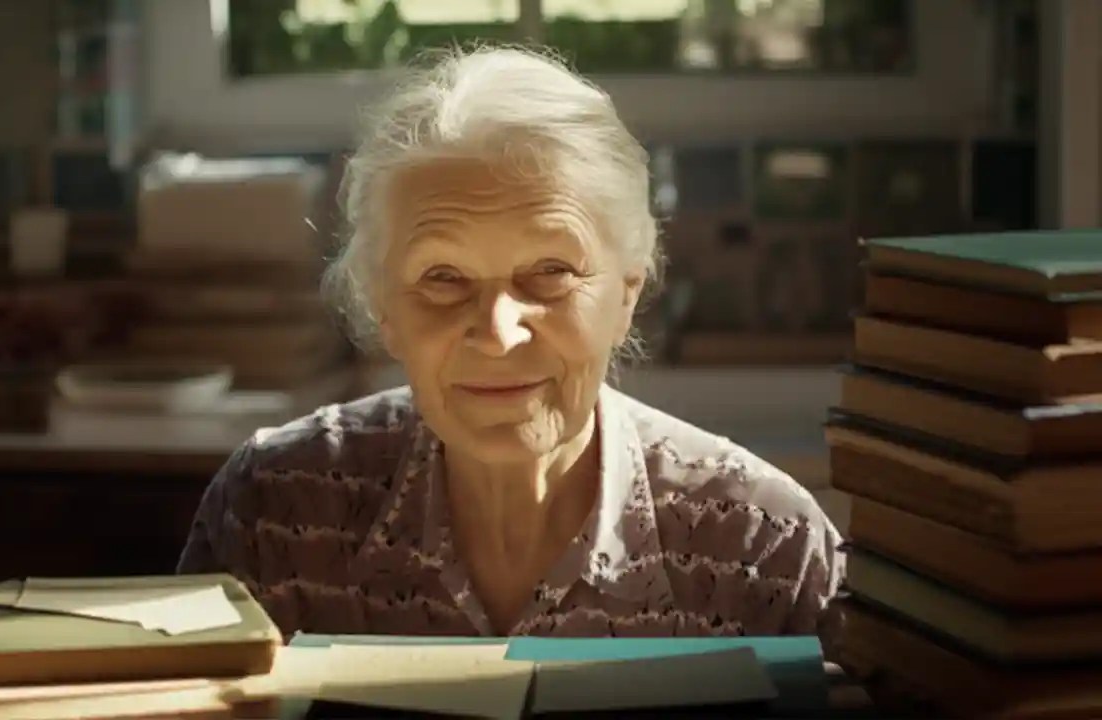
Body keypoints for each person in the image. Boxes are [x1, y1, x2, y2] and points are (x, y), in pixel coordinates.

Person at [177, 45, 844, 639]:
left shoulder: (763, 549)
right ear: (384, 308)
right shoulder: (272, 511)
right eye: (443, 277)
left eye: (551, 272)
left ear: (626, 295)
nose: (498, 334)